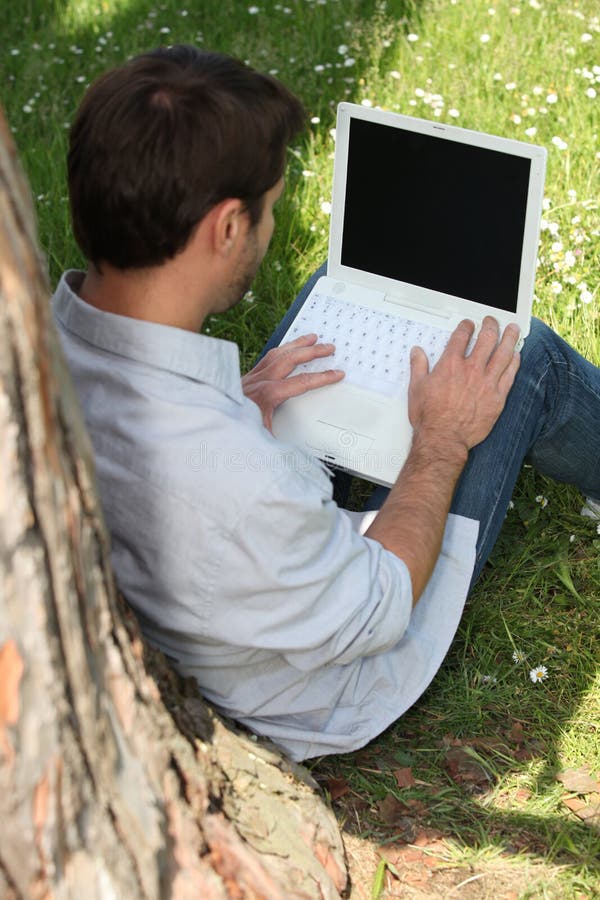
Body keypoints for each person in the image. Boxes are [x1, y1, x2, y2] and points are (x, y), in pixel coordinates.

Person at [51, 45, 600, 762]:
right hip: (320, 682)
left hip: (234, 591)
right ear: (225, 229)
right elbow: (381, 600)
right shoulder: (245, 482)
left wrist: (234, 406)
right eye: (270, 209)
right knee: (524, 356)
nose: (272, 227)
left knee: (328, 290)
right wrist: (439, 440)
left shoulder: (39, 357)